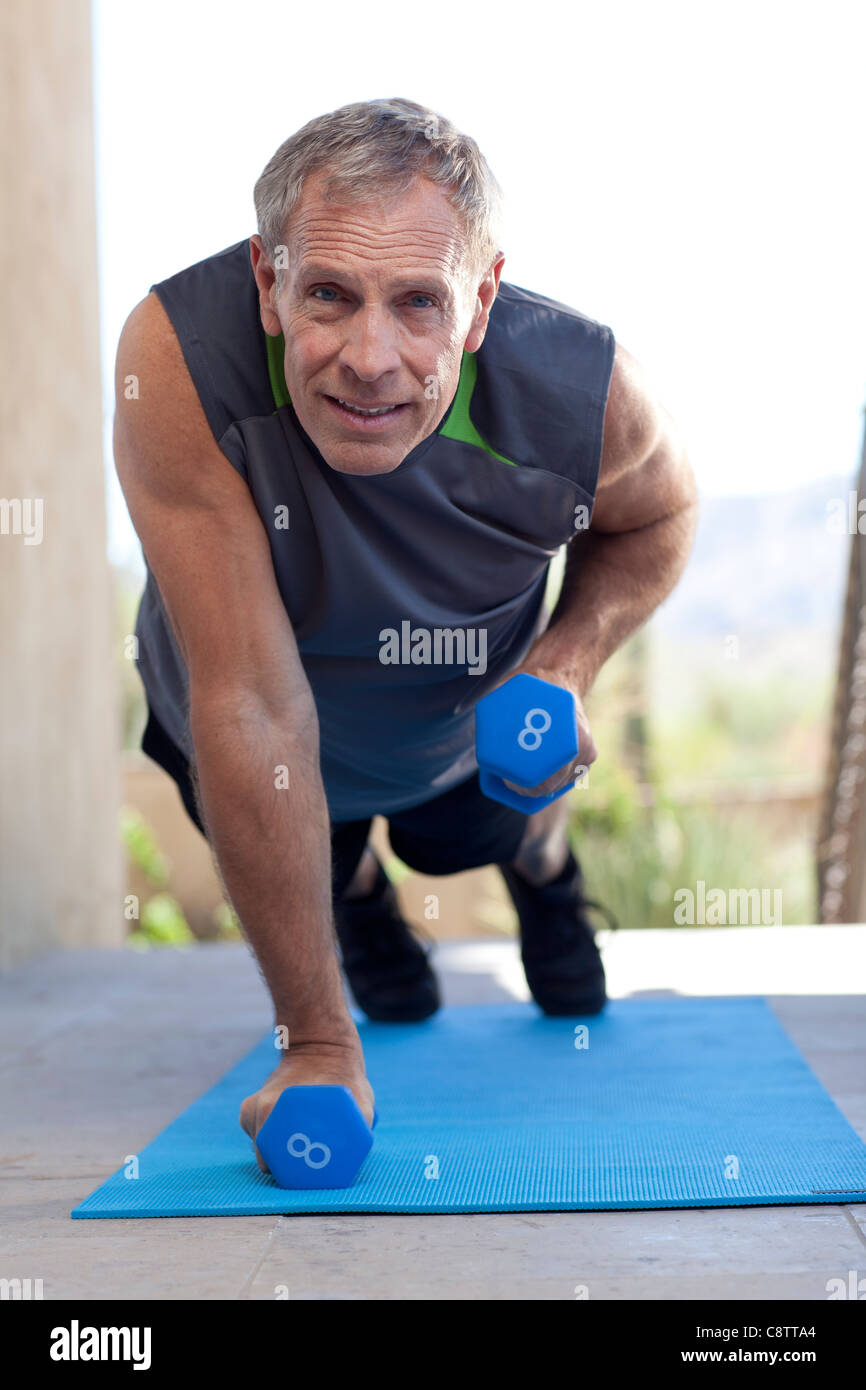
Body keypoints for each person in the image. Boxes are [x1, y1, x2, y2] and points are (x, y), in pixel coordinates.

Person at [114, 97, 698, 1171]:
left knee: (479, 827)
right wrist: (319, 1046)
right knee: (309, 858)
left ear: (479, 304)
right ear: (268, 281)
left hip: (461, 723)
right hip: (267, 721)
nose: (368, 358)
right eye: (327, 294)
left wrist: (560, 669)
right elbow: (249, 702)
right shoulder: (176, 361)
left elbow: (659, 514)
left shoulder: (578, 391)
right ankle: (365, 913)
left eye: (418, 303)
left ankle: (548, 877)